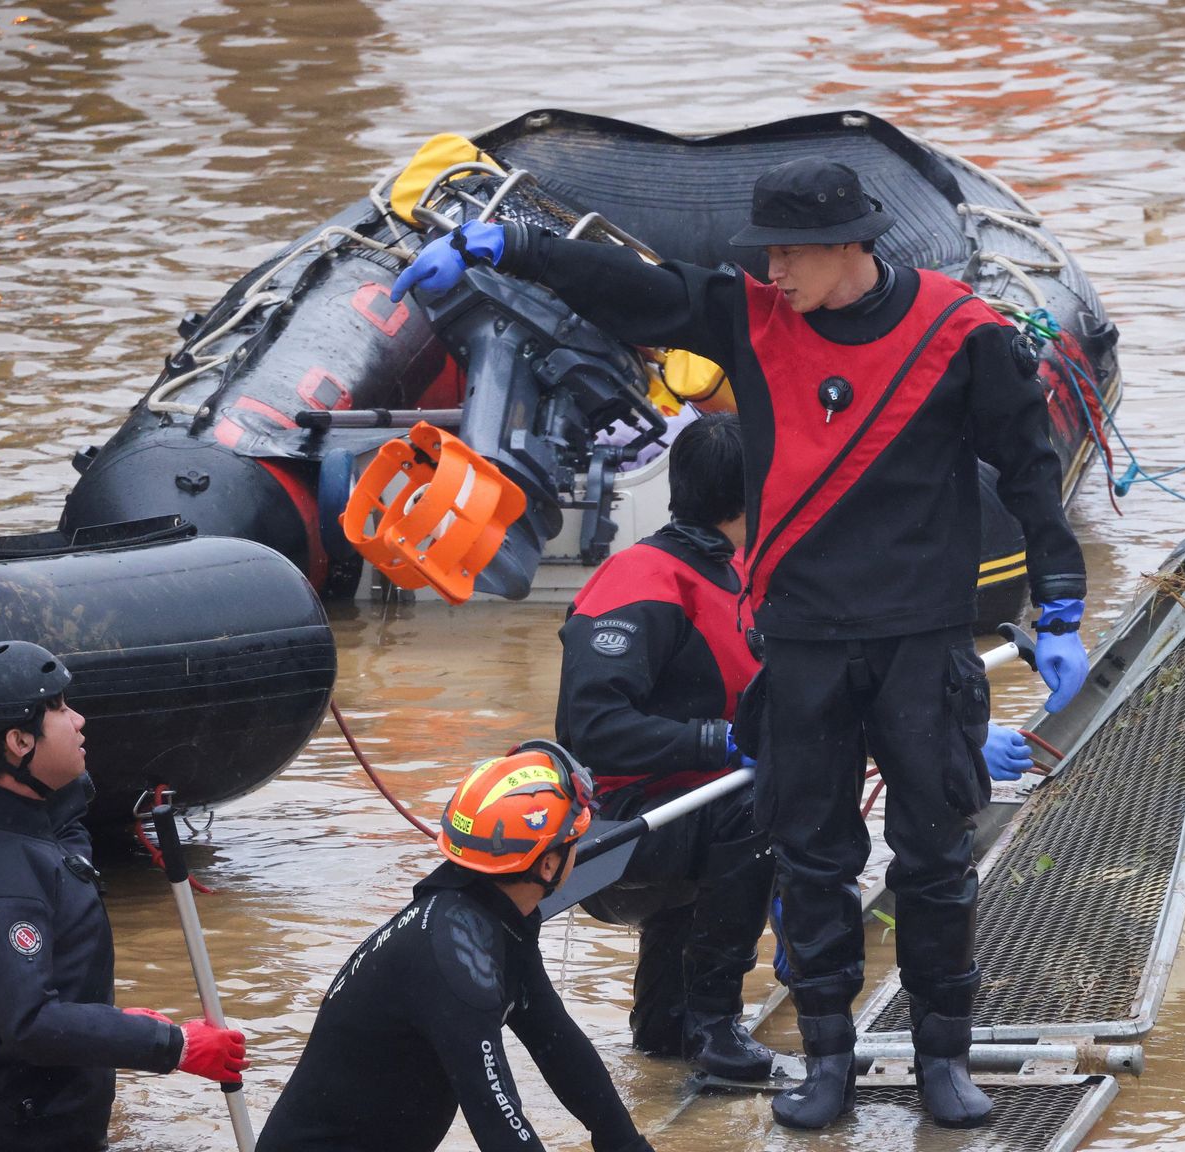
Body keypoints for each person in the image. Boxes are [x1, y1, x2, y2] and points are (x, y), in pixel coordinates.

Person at [393, 155, 1090, 1129]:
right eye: (764, 255)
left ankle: (944, 1055)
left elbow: (1027, 469)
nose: (771, 271)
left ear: (848, 244)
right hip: (801, 644)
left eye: (788, 253)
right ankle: (828, 1062)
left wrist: (1060, 602)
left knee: (934, 858)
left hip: (918, 639)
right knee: (812, 859)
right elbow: (637, 289)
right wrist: (507, 245)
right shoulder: (751, 319)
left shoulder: (960, 332)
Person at [0, 640, 246, 1152]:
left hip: (33, 1121)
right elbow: (32, 1023)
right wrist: (175, 1045)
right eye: (59, 708)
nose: (79, 720)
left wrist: (115, 1023)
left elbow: (5, 992)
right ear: (19, 741)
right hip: (13, 1135)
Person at [256, 742, 653, 1152]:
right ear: (547, 865)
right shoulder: (459, 962)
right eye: (575, 836)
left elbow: (559, 1045)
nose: (581, 841)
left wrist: (626, 1144)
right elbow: (498, 1118)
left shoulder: (491, 920)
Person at [554, 411, 775, 1080]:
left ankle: (666, 1025)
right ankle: (715, 1026)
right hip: (611, 834)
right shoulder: (640, 581)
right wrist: (720, 742)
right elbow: (591, 729)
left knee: (760, 793)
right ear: (750, 495)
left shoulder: (740, 571)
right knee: (755, 808)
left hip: (690, 807)